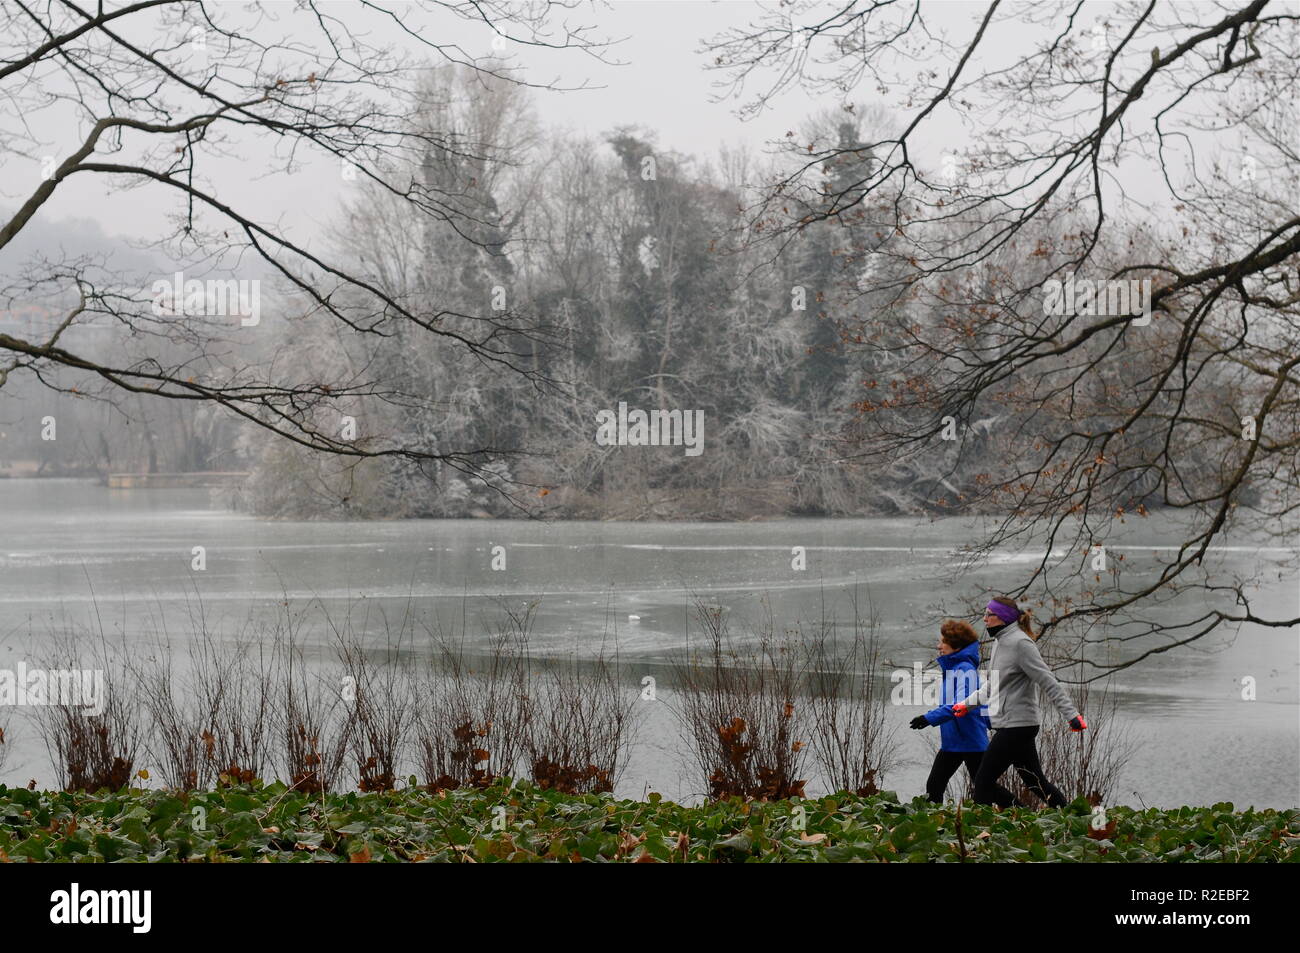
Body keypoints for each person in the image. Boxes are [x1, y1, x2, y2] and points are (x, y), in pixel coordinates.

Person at [952, 595, 1087, 808]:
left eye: (989, 614)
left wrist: (1072, 716)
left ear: (1003, 618)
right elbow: (992, 686)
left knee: (983, 780)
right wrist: (966, 704)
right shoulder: (999, 642)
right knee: (1035, 782)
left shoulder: (1021, 643)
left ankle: (981, 833)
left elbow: (1048, 681)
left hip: (1017, 726)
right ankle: (1076, 818)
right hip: (1013, 724)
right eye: (985, 614)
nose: (984, 618)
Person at [909, 619, 1018, 805]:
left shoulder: (964, 670)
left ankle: (1023, 813)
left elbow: (961, 704)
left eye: (943, 642)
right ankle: (935, 823)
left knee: (987, 788)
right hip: (955, 740)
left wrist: (928, 718)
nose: (939, 646)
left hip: (970, 740)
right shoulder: (954, 669)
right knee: (935, 785)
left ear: (956, 645)